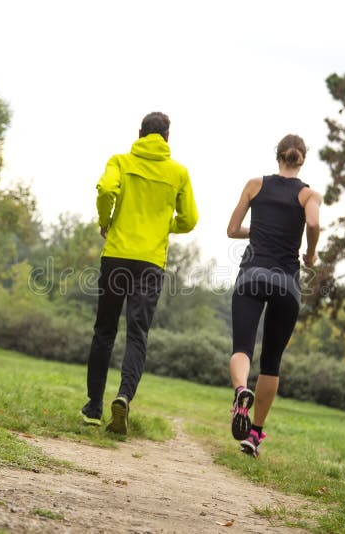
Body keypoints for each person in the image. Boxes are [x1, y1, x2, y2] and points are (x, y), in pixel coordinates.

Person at [81, 112, 199, 435]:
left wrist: (105, 221)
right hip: (150, 262)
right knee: (137, 333)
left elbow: (106, 189)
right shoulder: (178, 172)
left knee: (104, 330)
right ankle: (124, 396)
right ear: (167, 138)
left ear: (139, 133)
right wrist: (166, 226)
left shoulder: (120, 161)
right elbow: (190, 219)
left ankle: (93, 407)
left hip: (116, 255)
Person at [225, 133, 322, 457]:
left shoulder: (255, 185)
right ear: (302, 159)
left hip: (251, 276)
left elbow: (232, 230)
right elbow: (313, 223)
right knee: (271, 362)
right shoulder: (309, 195)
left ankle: (241, 390)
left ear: (277, 155)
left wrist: (259, 230)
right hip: (286, 284)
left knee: (242, 347)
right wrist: (311, 253)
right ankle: (254, 434)